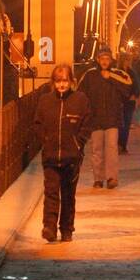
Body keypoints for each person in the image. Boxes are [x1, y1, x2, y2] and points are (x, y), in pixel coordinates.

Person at [33, 64, 91, 243]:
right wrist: (45, 140)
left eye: (65, 80)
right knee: (51, 192)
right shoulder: (45, 100)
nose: (61, 85)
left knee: (68, 194)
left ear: (71, 81)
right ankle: (49, 227)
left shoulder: (80, 100)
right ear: (53, 82)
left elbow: (87, 123)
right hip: (50, 156)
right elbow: (37, 123)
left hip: (71, 157)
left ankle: (66, 229)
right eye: (58, 81)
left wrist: (78, 143)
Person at [78, 45, 132, 188]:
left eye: (107, 58)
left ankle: (111, 178)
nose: (104, 61)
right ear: (97, 59)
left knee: (112, 149)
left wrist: (111, 78)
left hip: (112, 118)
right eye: (102, 58)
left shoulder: (119, 75)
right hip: (95, 119)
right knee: (96, 150)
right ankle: (98, 178)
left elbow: (127, 90)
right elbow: (80, 94)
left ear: (111, 60)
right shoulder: (89, 75)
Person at [118, 50, 140, 153]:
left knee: (127, 124)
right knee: (119, 124)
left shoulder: (132, 72)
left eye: (128, 59)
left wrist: (135, 95)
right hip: (119, 102)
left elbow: (137, 86)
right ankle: (118, 145)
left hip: (129, 102)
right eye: (125, 59)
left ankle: (123, 145)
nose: (127, 62)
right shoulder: (117, 72)